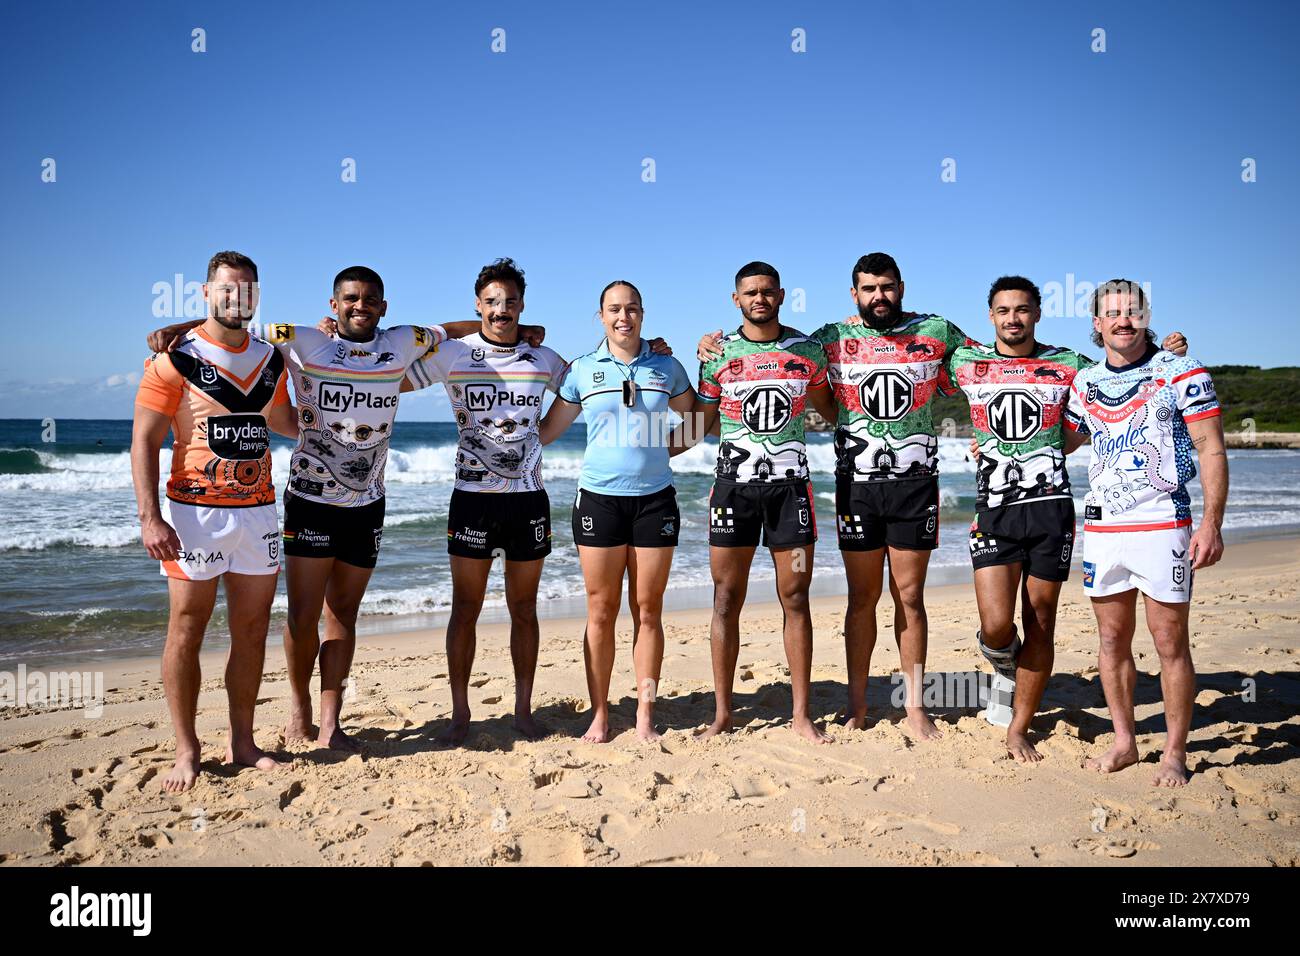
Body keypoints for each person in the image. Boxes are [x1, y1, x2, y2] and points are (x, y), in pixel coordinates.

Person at [146, 268, 511, 751]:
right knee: (301, 616)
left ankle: (330, 722)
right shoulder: (299, 340)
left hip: (368, 504)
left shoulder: (405, 341)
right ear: (334, 304)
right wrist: (182, 328)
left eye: (371, 300)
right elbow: (233, 326)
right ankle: (297, 712)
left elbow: (457, 329)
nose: (361, 306)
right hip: (310, 502)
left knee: (343, 614)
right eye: (351, 299)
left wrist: (514, 332)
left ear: (384, 306)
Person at [700, 252, 970, 739]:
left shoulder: (937, 331)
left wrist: (989, 431)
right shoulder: (827, 340)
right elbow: (785, 380)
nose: (879, 296)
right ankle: (859, 705)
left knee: (909, 595)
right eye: (869, 289)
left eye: (886, 287)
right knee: (859, 597)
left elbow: (992, 363)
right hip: (854, 487)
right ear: (854, 294)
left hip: (915, 484)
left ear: (901, 287)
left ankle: (913, 706)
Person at [953, 276, 1186, 761]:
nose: (1013, 318)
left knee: (1039, 621)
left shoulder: (1071, 366)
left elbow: (1126, 362)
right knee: (997, 626)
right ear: (990, 315)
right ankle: (1002, 664)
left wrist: (1168, 348)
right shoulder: (966, 362)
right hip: (992, 510)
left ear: (1037, 313)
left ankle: (1019, 726)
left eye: (1022, 309)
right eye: (1003, 310)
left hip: (1050, 510)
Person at [131, 251, 297, 793]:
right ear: (206, 293)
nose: (236, 298)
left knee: (250, 632)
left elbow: (284, 422)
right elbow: (144, 442)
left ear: (257, 297)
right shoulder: (174, 360)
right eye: (226, 289)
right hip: (194, 517)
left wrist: (349, 401)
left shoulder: (272, 360)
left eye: (247, 290)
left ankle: (243, 743)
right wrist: (150, 517)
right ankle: (186, 749)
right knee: (186, 629)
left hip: (258, 515)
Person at [1065, 279, 1226, 787]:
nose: (1122, 321)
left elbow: (1212, 450)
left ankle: (1175, 753)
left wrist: (1211, 523)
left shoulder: (1182, 372)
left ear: (1146, 314)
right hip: (1104, 529)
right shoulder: (1085, 383)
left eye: (1131, 312)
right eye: (1111, 313)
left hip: (1164, 526)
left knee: (1169, 641)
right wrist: (992, 444)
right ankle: (1124, 743)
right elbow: (1061, 439)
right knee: (1112, 639)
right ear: (1096, 323)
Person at [683, 261, 838, 744]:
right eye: (750, 292)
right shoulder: (718, 354)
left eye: (768, 292)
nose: (759, 299)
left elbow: (832, 410)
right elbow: (702, 422)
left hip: (791, 492)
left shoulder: (807, 351)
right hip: (733, 492)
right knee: (726, 598)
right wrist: (643, 447)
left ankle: (800, 715)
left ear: (782, 295)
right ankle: (723, 713)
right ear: (736, 300)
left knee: (795, 597)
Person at [537, 280, 694, 742]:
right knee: (600, 611)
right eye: (614, 309)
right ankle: (601, 714)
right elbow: (547, 431)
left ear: (642, 314)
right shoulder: (582, 371)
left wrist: (662, 450)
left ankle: (646, 713)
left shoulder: (666, 366)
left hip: (655, 500)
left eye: (632, 309)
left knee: (648, 611)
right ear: (600, 316)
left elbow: (699, 420)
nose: (623, 317)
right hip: (599, 500)